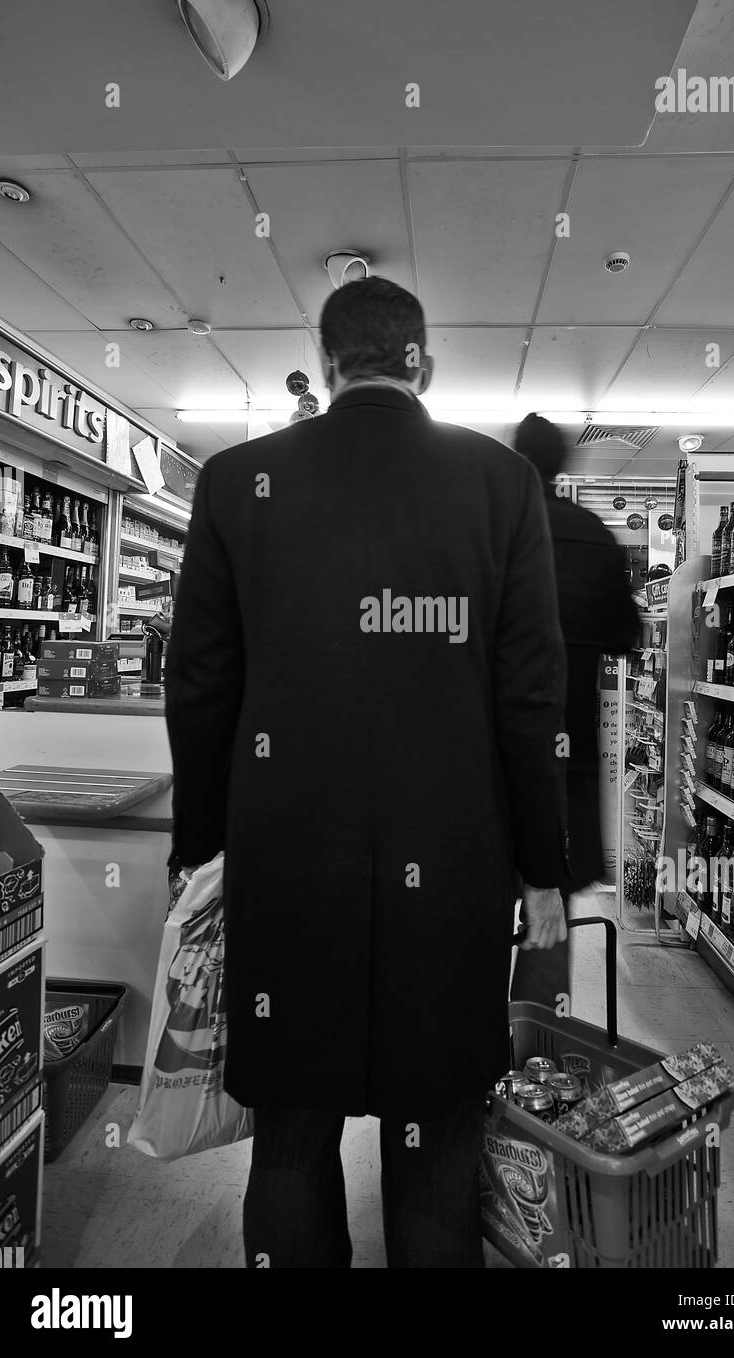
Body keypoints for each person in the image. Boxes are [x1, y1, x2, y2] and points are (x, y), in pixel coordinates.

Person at [165, 277, 571, 1269]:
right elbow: (528, 700)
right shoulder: (500, 483)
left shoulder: (234, 481)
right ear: (420, 366)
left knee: (293, 1136)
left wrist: (198, 849)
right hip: (453, 866)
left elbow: (201, 686)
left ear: (329, 360)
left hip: (285, 862)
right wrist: (542, 870)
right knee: (433, 1144)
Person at [510, 415, 639, 1009]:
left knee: (478, 916)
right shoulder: (592, 533)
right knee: (550, 916)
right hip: (570, 766)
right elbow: (625, 632)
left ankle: (472, 1072)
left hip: (493, 760)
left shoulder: (495, 526)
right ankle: (535, 1064)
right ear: (566, 465)